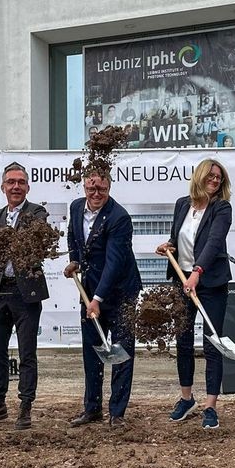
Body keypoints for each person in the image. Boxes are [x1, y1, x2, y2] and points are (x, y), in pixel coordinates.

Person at [155, 159, 233, 429]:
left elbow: (213, 242)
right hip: (181, 280)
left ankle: (211, 406)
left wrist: (198, 272)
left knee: (212, 344)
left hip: (209, 282)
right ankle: (186, 398)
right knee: (183, 342)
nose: (215, 180)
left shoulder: (222, 208)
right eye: (211, 175)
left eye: (219, 178)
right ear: (199, 176)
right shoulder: (182, 204)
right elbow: (180, 238)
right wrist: (170, 245)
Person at [0, 163, 50, 429]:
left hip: (25, 292)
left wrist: (5, 239)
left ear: (27, 187)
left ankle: (25, 407)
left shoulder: (37, 213)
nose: (16, 187)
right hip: (0, 290)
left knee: (27, 353)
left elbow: (33, 243)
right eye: (10, 182)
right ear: (3, 187)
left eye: (20, 182)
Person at [64, 169, 143, 428]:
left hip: (120, 292)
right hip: (90, 290)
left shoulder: (119, 218)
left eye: (102, 189)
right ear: (84, 187)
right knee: (93, 351)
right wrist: (74, 260)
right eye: (91, 188)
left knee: (120, 353)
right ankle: (92, 409)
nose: (96, 194)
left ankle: (117, 413)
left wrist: (97, 299)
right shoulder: (76, 208)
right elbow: (73, 237)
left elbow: (114, 262)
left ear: (109, 187)